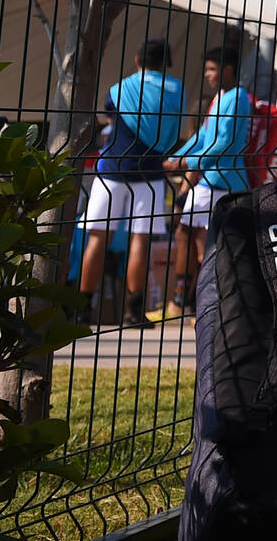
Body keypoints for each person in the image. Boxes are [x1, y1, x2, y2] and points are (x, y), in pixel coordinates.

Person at [79, 39, 185, 327]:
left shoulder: (119, 88)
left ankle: (81, 310)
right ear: (165, 63)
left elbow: (109, 113)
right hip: (150, 173)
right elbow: (174, 131)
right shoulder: (177, 89)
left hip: (112, 169)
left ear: (138, 60)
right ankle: (133, 312)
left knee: (98, 238)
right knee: (141, 240)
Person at [161, 45, 251, 316]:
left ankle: (205, 303)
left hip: (222, 183)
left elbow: (222, 142)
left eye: (212, 69)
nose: (207, 74)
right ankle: (188, 300)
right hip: (211, 181)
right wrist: (176, 158)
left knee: (205, 244)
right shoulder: (222, 97)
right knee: (189, 235)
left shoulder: (236, 98)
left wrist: (186, 162)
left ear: (228, 70)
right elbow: (203, 135)